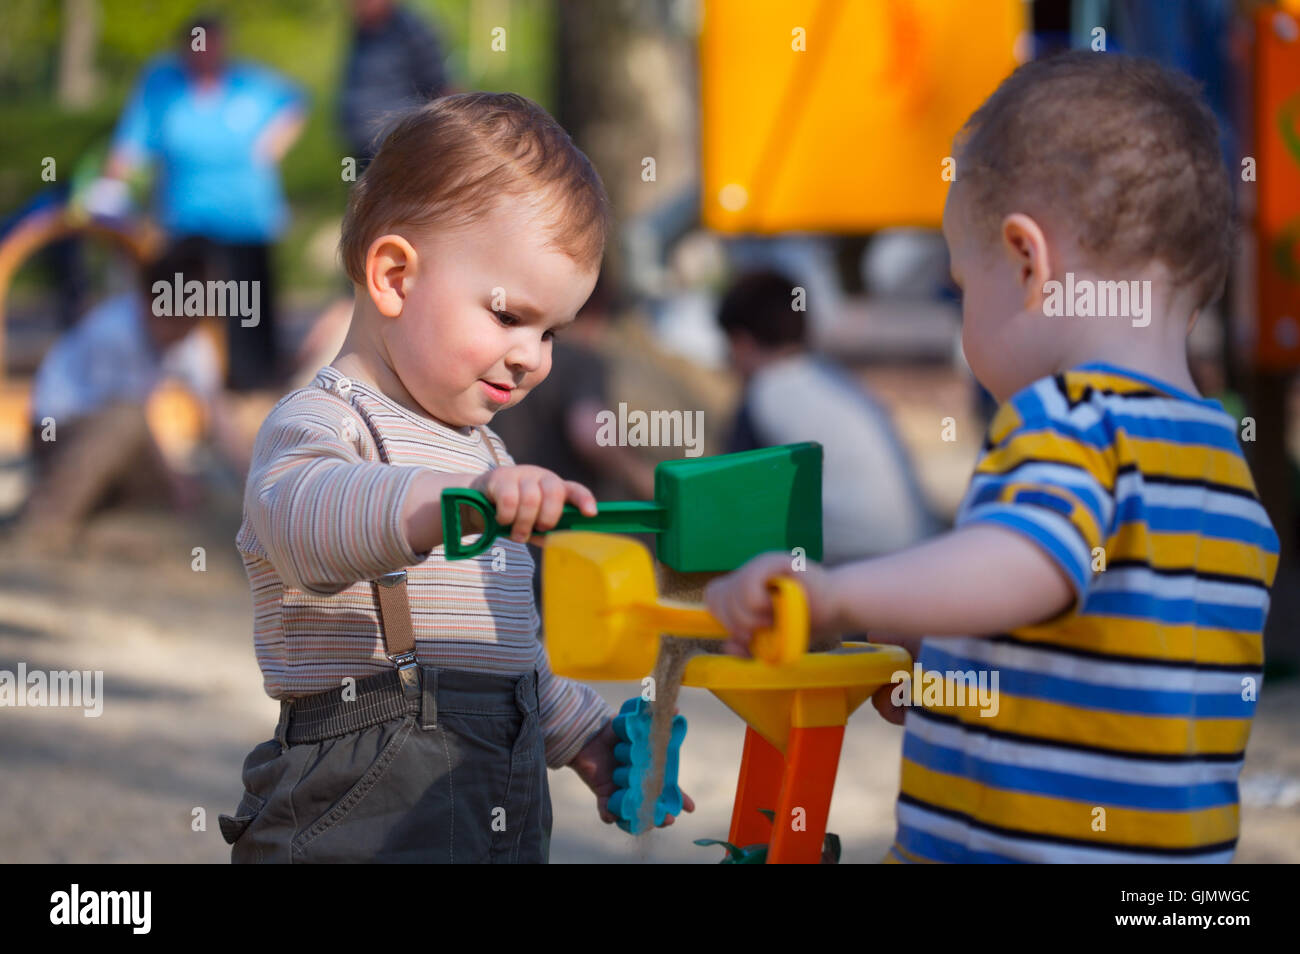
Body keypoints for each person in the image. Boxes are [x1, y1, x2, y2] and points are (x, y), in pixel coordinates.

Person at [704, 52, 1279, 863]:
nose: (964, 316)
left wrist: (833, 593)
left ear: (1025, 263)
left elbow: (1027, 560)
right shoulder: (1218, 457)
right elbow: (1101, 664)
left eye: (963, 285)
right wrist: (953, 684)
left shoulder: (1072, 417)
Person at [219, 93, 693, 864]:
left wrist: (582, 737)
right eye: (510, 318)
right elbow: (305, 524)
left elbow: (507, 649)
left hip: (489, 796)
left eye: (552, 332)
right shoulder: (324, 422)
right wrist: (443, 502)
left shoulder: (486, 457)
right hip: (358, 803)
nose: (533, 356)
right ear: (396, 276)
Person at [100, 15, 307, 392]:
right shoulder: (163, 85)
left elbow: (295, 102)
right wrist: (110, 188)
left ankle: (254, 385)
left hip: (246, 215)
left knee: (249, 307)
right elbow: (130, 144)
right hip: (188, 216)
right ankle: (192, 386)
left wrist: (273, 142)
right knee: (190, 301)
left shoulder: (250, 82)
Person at [10, 238, 232, 553]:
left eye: (189, 322)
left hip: (117, 447)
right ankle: (41, 528)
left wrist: (253, 477)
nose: (178, 333)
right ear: (147, 302)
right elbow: (131, 417)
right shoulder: (114, 329)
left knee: (189, 490)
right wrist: (173, 479)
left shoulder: (191, 341)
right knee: (126, 421)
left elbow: (219, 415)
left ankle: (98, 518)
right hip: (60, 436)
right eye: (172, 321)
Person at [717, 268, 940, 563]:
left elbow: (723, 506)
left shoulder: (763, 394)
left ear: (741, 342)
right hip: (919, 548)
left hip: (852, 563)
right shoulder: (833, 379)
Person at [340, 0, 452, 167]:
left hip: (399, 148)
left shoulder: (412, 30)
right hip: (363, 152)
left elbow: (441, 86)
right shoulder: (364, 29)